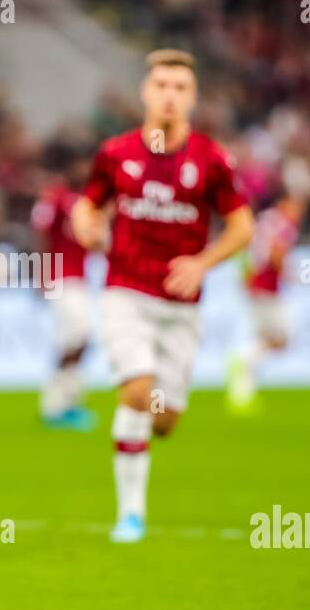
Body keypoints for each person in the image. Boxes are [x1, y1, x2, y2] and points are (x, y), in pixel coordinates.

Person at [71, 49, 254, 543]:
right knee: (135, 392)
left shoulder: (212, 160)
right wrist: (88, 227)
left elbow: (242, 227)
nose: (169, 95)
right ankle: (130, 514)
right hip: (126, 292)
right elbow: (85, 209)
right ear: (146, 92)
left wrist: (202, 263)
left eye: (180, 87)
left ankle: (141, 439)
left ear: (192, 98)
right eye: (162, 85)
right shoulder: (115, 154)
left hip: (180, 308)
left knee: (164, 418)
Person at [33, 152, 97, 430]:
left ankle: (61, 403)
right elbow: (41, 235)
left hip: (79, 278)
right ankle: (59, 403)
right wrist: (41, 272)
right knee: (80, 337)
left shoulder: (89, 201)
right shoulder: (56, 198)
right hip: (60, 277)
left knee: (74, 340)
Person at [228, 193, 306, 410]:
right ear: (284, 204)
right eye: (296, 206)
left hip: (254, 285)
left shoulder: (263, 220)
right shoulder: (283, 225)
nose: (298, 213)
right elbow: (276, 253)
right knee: (281, 340)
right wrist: (290, 274)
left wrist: (245, 278)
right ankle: (243, 358)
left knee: (264, 338)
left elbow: (246, 252)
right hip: (267, 288)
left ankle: (243, 393)